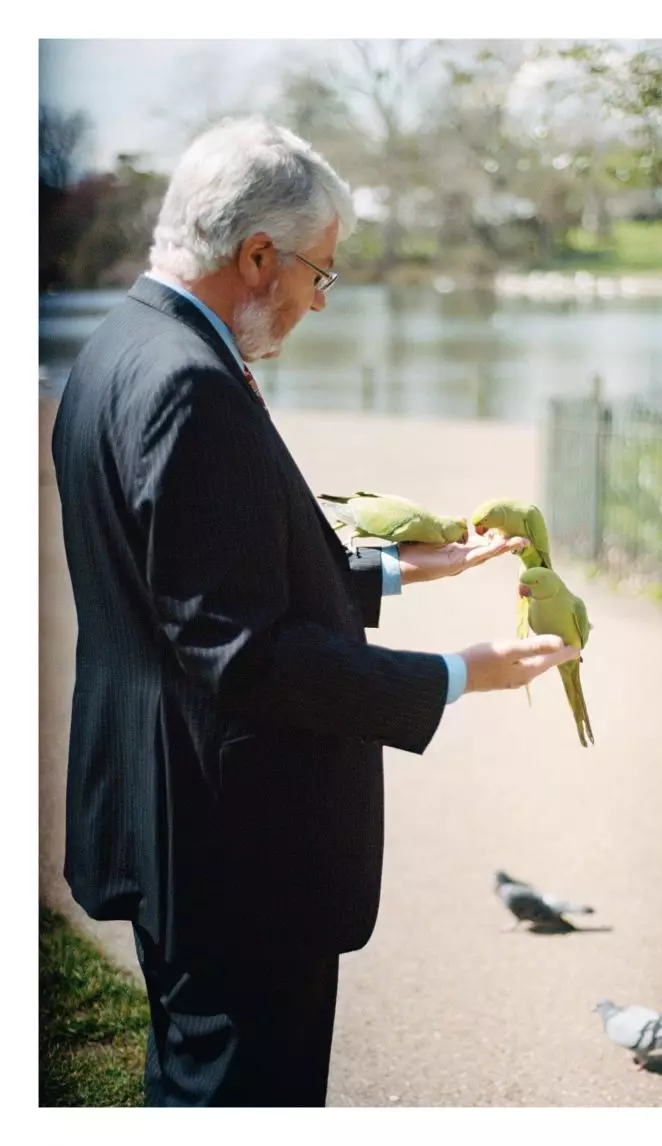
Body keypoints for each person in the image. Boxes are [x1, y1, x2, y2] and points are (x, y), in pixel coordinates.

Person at [51, 116, 578, 1108]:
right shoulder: (191, 387)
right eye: (319, 272)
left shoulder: (117, 350)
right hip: (236, 850)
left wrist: (395, 571)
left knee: (195, 1086)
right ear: (258, 255)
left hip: (167, 817)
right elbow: (245, 655)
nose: (318, 300)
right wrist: (462, 673)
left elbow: (191, 589)